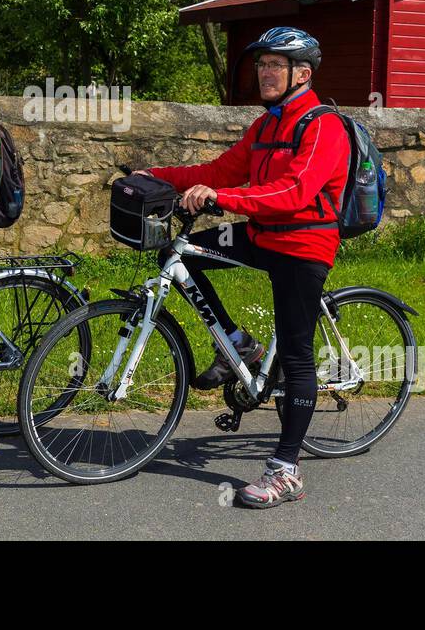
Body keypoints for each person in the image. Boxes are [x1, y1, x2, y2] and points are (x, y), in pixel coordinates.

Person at [136, 26, 349, 509]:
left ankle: (287, 469)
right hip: (259, 235)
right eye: (261, 64)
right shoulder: (266, 125)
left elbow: (294, 192)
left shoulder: (322, 126)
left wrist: (224, 198)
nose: (265, 72)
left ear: (303, 73)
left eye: (275, 64)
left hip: (303, 245)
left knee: (297, 355)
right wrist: (159, 176)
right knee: (181, 253)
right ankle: (239, 345)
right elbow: (218, 171)